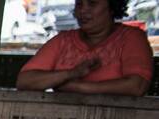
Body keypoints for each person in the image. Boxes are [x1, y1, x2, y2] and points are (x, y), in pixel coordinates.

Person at [16, 0, 153, 97]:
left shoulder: (131, 38)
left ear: (112, 7)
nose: (83, 10)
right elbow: (25, 81)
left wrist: (79, 87)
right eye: (79, 4)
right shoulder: (63, 40)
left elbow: (137, 86)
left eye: (92, 3)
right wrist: (70, 74)